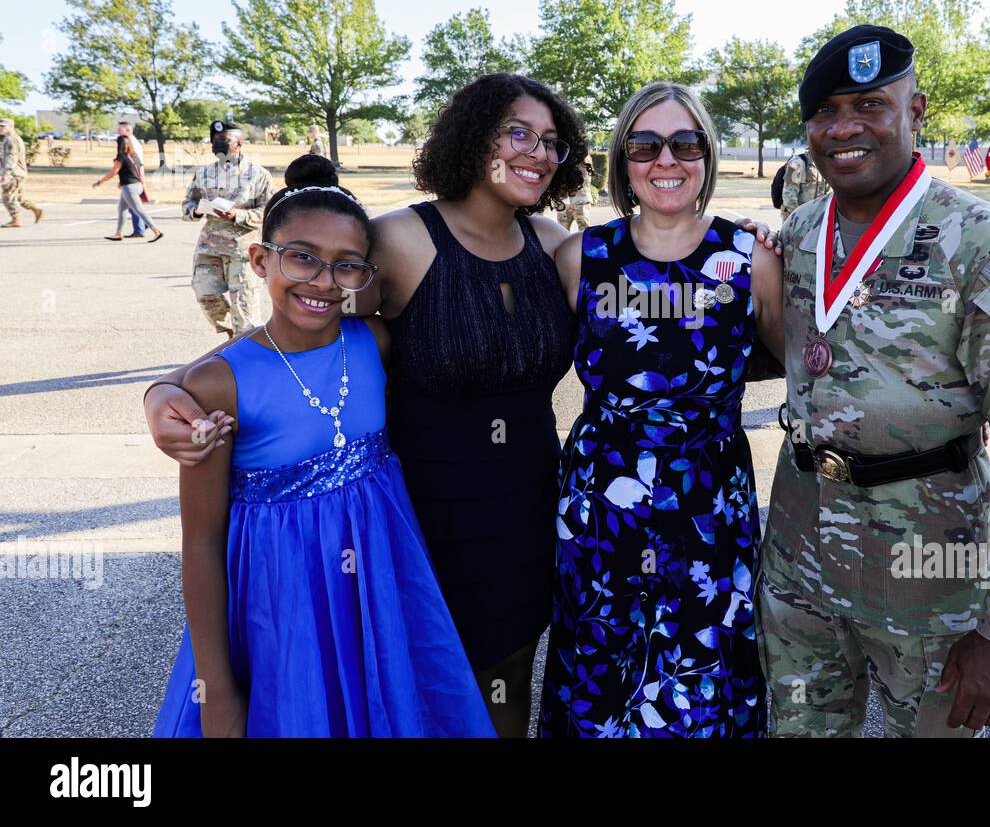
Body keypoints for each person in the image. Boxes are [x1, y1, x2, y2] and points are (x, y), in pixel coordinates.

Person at [141, 74, 780, 737]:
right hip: (420, 518)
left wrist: (747, 257)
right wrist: (167, 391)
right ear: (475, 138)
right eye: (518, 133)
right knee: (419, 689)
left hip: (536, 513)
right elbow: (302, 323)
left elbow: (666, 343)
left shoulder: (553, 244)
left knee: (507, 688)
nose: (536, 151)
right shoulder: (401, 240)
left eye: (552, 141)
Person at [759, 25, 990, 738]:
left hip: (928, 574)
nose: (844, 128)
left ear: (916, 112)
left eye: (870, 106)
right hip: (799, 559)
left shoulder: (987, 248)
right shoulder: (797, 235)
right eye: (825, 112)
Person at [152, 184, 494, 737]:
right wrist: (215, 686)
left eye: (345, 266)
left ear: (365, 276)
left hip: (381, 586)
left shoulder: (375, 342)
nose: (322, 280)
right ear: (260, 260)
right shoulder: (217, 384)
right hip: (282, 603)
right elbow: (202, 542)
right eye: (302, 256)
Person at [540, 82, 783, 737]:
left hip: (709, 506)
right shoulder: (580, 259)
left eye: (686, 143)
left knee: (699, 672)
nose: (665, 161)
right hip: (602, 509)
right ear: (622, 160)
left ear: (707, 156)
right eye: (645, 145)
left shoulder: (749, 259)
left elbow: (798, 363)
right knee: (604, 666)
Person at [183, 122, 272, 338]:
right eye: (215, 140)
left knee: (245, 306)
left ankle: (249, 352)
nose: (218, 144)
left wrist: (238, 215)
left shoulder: (257, 174)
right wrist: (194, 211)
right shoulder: (203, 173)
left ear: (239, 143)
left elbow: (269, 211)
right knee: (204, 293)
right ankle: (232, 334)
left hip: (243, 249)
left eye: (224, 140)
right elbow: (187, 204)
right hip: (209, 247)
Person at [94, 135, 163, 241]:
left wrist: (100, 182)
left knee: (139, 210)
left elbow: (113, 172)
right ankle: (118, 233)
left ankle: (156, 231)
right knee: (122, 209)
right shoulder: (135, 157)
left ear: (119, 145)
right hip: (137, 186)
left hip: (130, 188)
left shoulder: (121, 157)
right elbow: (137, 173)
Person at [0, 118, 41, 228]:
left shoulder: (11, 139)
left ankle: (16, 219)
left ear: (11, 126)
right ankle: (36, 210)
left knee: (7, 197)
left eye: (3, 126)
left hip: (13, 173)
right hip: (19, 172)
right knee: (19, 197)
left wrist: (5, 174)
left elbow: (11, 157)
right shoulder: (11, 138)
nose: (0, 128)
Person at [117, 121, 147, 237]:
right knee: (131, 206)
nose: (118, 132)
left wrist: (140, 180)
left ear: (128, 131)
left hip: (134, 180)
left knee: (132, 206)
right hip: (131, 179)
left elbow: (138, 164)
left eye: (120, 130)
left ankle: (140, 229)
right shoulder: (128, 142)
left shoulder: (132, 144)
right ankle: (144, 225)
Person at [780, 149, 826, 219]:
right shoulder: (797, 163)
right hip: (796, 219)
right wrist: (800, 219)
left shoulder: (824, 163)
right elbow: (789, 197)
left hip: (815, 218)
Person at [556, 154, 598, 231]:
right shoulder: (564, 158)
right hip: (565, 202)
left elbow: (580, 180)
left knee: (584, 230)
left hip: (580, 201)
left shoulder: (583, 161)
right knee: (561, 231)